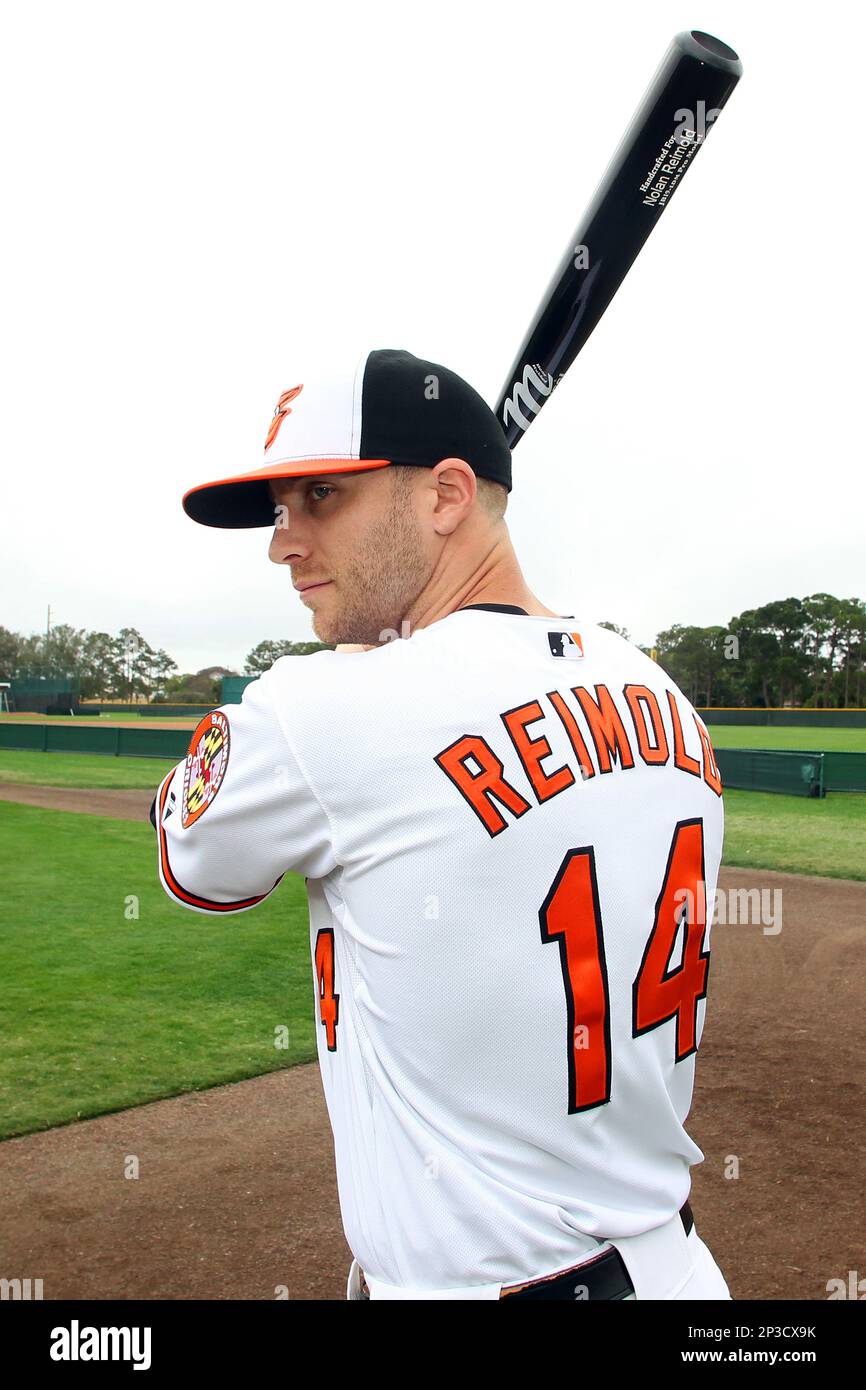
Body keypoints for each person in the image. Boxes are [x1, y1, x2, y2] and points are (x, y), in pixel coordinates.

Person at [151, 347, 730, 1300]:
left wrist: (324, 692)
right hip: (679, 1271)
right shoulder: (660, 693)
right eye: (282, 508)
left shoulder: (324, 710)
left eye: (322, 496)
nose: (283, 544)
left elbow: (194, 857)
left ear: (447, 495)